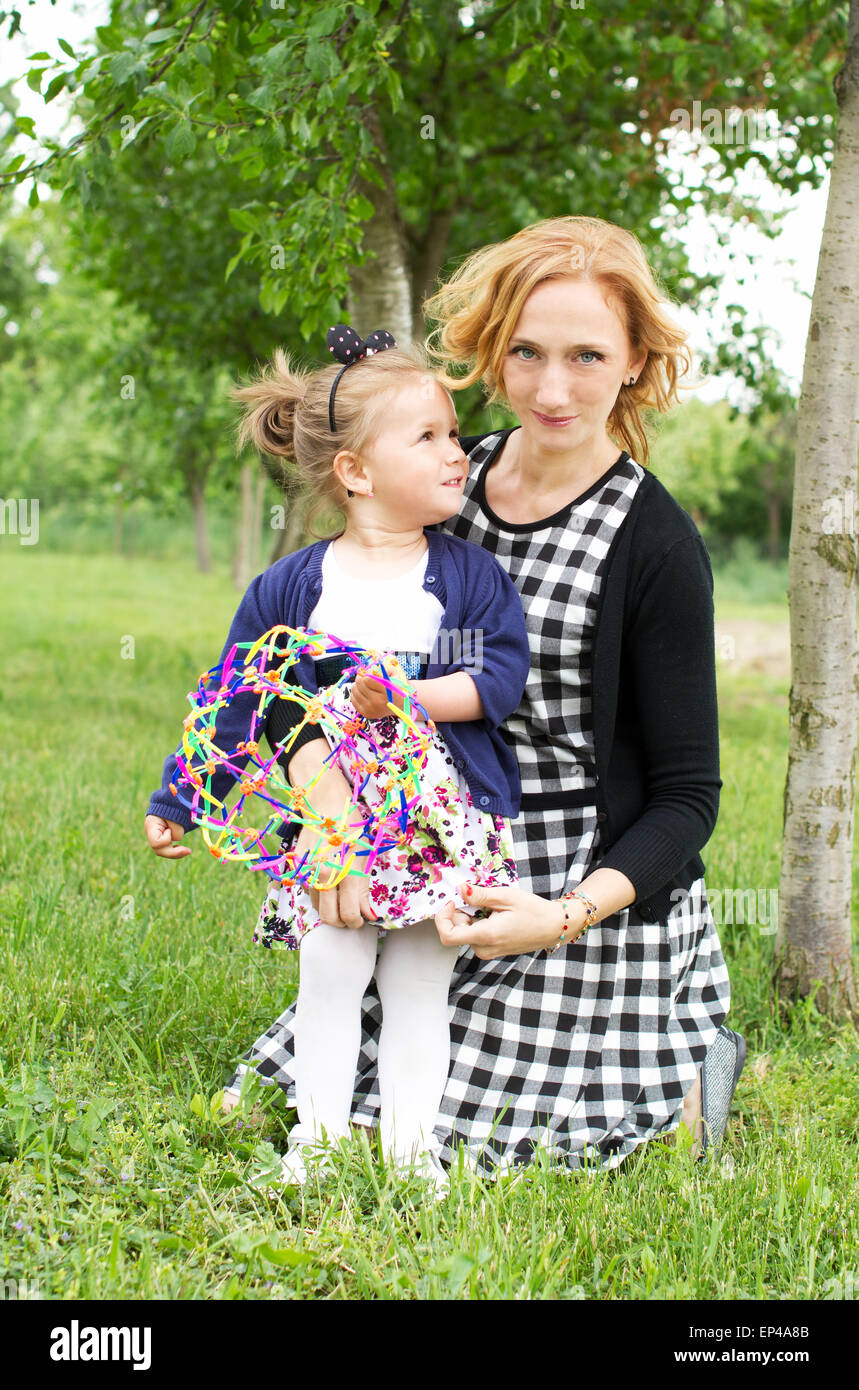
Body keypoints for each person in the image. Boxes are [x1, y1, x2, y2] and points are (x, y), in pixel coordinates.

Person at [221, 215, 746, 1174]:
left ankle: (686, 1053)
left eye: (588, 355)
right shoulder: (434, 481)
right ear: (489, 352)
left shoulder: (655, 544)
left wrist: (560, 913)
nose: (553, 389)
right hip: (411, 841)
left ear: (634, 361)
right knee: (316, 1094)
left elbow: (687, 797)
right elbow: (294, 672)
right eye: (526, 352)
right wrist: (325, 799)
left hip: (569, 880)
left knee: (497, 1137)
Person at [144, 327, 531, 1192]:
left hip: (439, 813)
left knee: (419, 979)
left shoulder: (467, 576)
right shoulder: (292, 587)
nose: (455, 453)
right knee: (329, 964)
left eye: (454, 435)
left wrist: (405, 696)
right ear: (355, 473)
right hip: (336, 821)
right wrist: (179, 797)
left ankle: (410, 1151)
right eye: (426, 437)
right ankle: (314, 1144)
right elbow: (240, 697)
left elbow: (498, 677)